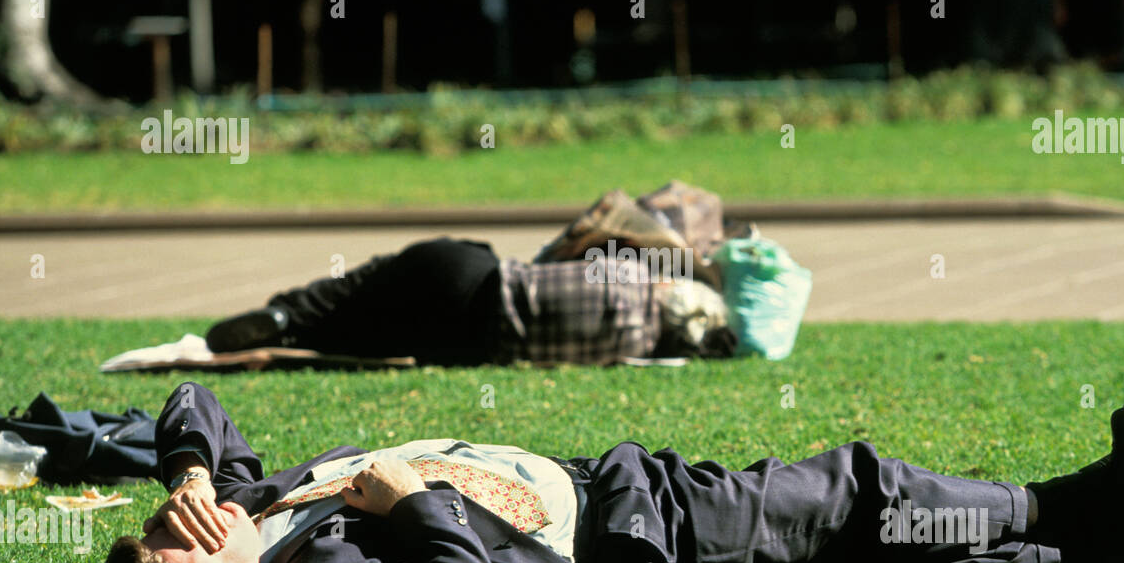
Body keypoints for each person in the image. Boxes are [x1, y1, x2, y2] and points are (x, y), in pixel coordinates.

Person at [98, 382, 1124, 563]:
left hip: (613, 474)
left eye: (177, 525)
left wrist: (190, 469)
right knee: (857, 495)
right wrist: (414, 494)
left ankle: (1079, 543)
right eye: (193, 553)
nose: (198, 528)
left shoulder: (248, 507)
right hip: (629, 533)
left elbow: (194, 401)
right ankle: (1073, 503)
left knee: (858, 544)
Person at [203, 237, 735, 367]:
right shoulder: (636, 348)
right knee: (363, 332)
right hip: (466, 337)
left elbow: (560, 254)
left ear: (673, 289)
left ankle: (283, 313)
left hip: (470, 271)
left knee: (365, 282)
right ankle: (300, 335)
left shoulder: (630, 270)